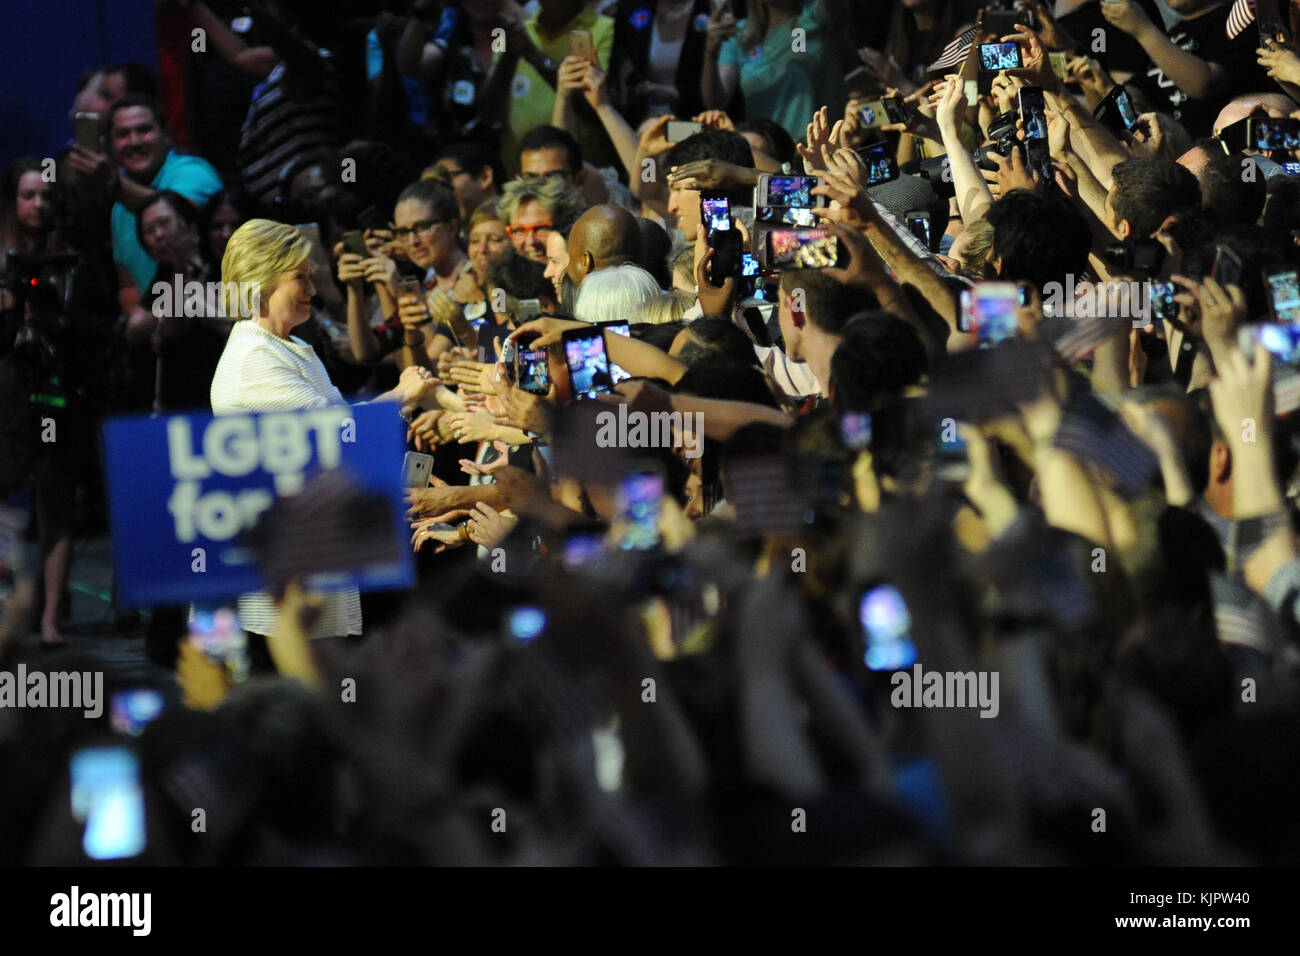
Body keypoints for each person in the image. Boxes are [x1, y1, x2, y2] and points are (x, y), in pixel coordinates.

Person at [210, 219, 439, 645]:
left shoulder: (288, 347)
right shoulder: (253, 361)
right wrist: (401, 395)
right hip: (278, 587)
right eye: (300, 279)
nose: (313, 291)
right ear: (259, 287)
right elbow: (335, 432)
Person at [701, 0, 853, 141]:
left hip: (819, 149)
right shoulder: (740, 34)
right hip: (767, 153)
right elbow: (715, 101)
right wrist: (710, 52)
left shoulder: (816, 16)